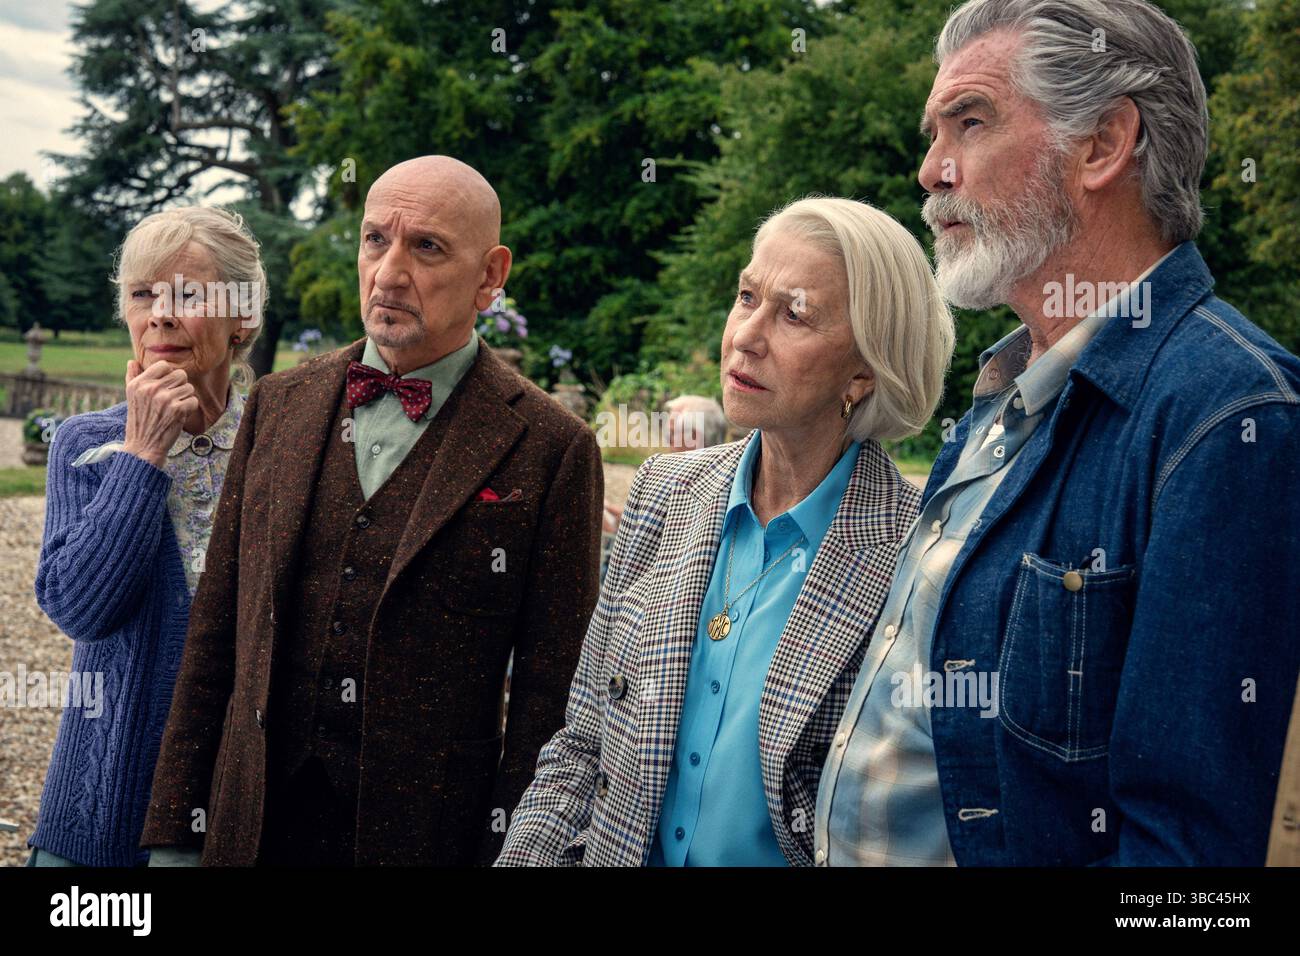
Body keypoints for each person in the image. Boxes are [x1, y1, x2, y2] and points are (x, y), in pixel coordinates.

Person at [816, 0, 1300, 866]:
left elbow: (1185, 859)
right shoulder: (1001, 396)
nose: (930, 171)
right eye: (934, 133)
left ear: (1104, 145)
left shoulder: (1232, 419)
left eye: (970, 122)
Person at [139, 156, 603, 866]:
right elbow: (215, 638)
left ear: (490, 275)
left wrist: (514, 854)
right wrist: (177, 836)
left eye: (427, 247)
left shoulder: (552, 447)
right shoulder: (278, 404)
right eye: (374, 239)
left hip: (427, 836)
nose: (388, 273)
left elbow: (552, 696)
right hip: (251, 828)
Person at [497, 196, 955, 865]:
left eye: (794, 314)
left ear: (864, 370)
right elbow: (583, 745)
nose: (746, 335)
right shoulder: (663, 493)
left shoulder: (921, 553)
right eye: (747, 297)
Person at [26, 206, 266, 866]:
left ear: (242, 316)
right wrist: (143, 452)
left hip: (238, 809)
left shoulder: (282, 444)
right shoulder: (86, 443)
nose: (159, 315)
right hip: (104, 805)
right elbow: (80, 609)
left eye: (187, 295)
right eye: (141, 294)